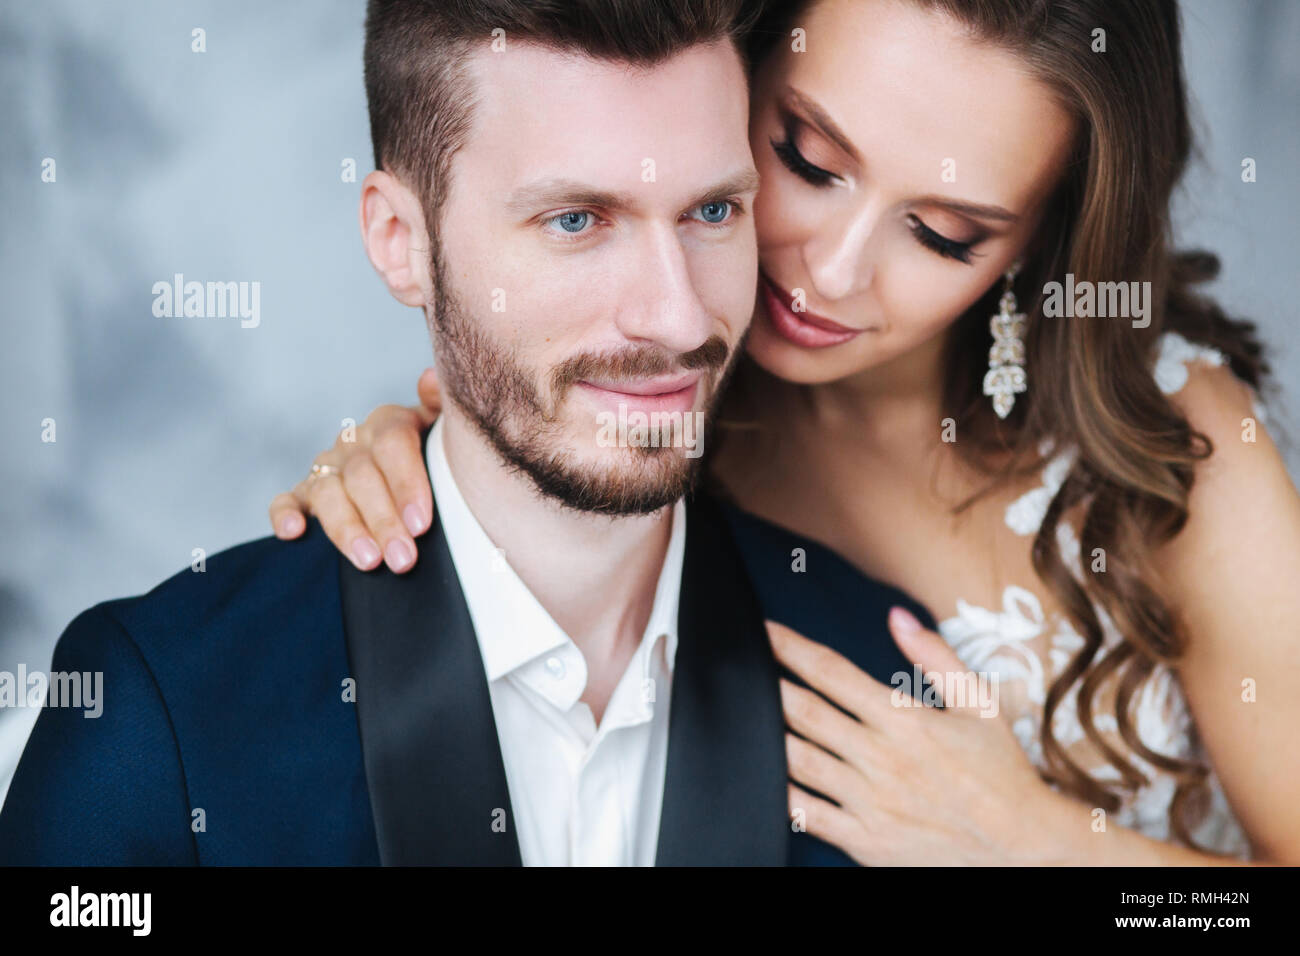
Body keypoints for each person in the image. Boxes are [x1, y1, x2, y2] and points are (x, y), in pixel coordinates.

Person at [272, 0, 1300, 864]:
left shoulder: (1175, 450)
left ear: (1040, 241)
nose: (833, 270)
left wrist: (1033, 842)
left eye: (945, 233)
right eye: (806, 159)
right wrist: (399, 468)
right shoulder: (642, 411)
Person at [1, 0, 933, 866]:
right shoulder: (159, 714)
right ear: (400, 240)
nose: (679, 318)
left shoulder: (883, 683)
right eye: (576, 220)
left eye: (713, 212)